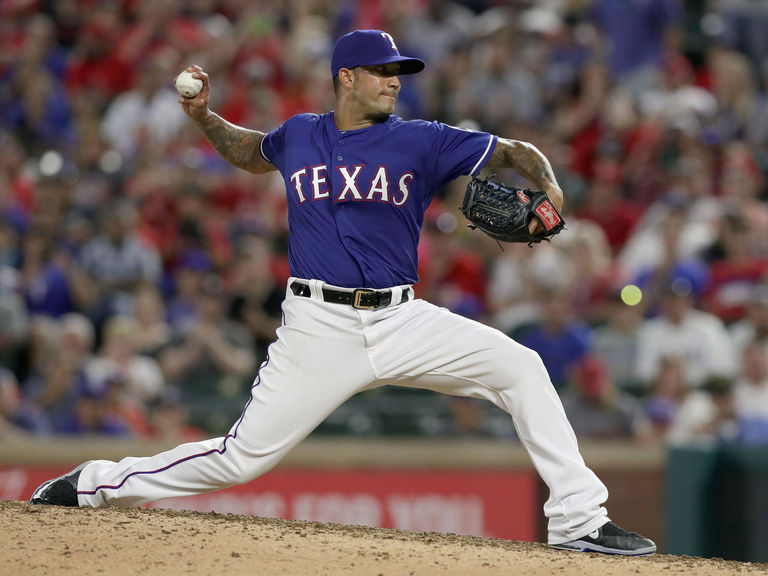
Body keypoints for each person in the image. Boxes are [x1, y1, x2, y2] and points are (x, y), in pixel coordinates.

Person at [30, 29, 655, 556]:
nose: (394, 81)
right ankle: (94, 485)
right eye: (382, 72)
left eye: (398, 73)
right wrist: (204, 119)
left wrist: (552, 190)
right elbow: (251, 153)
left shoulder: (422, 138)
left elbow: (515, 151)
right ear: (346, 77)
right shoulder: (301, 134)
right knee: (241, 458)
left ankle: (578, 521)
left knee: (522, 367)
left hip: (402, 319)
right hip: (317, 327)